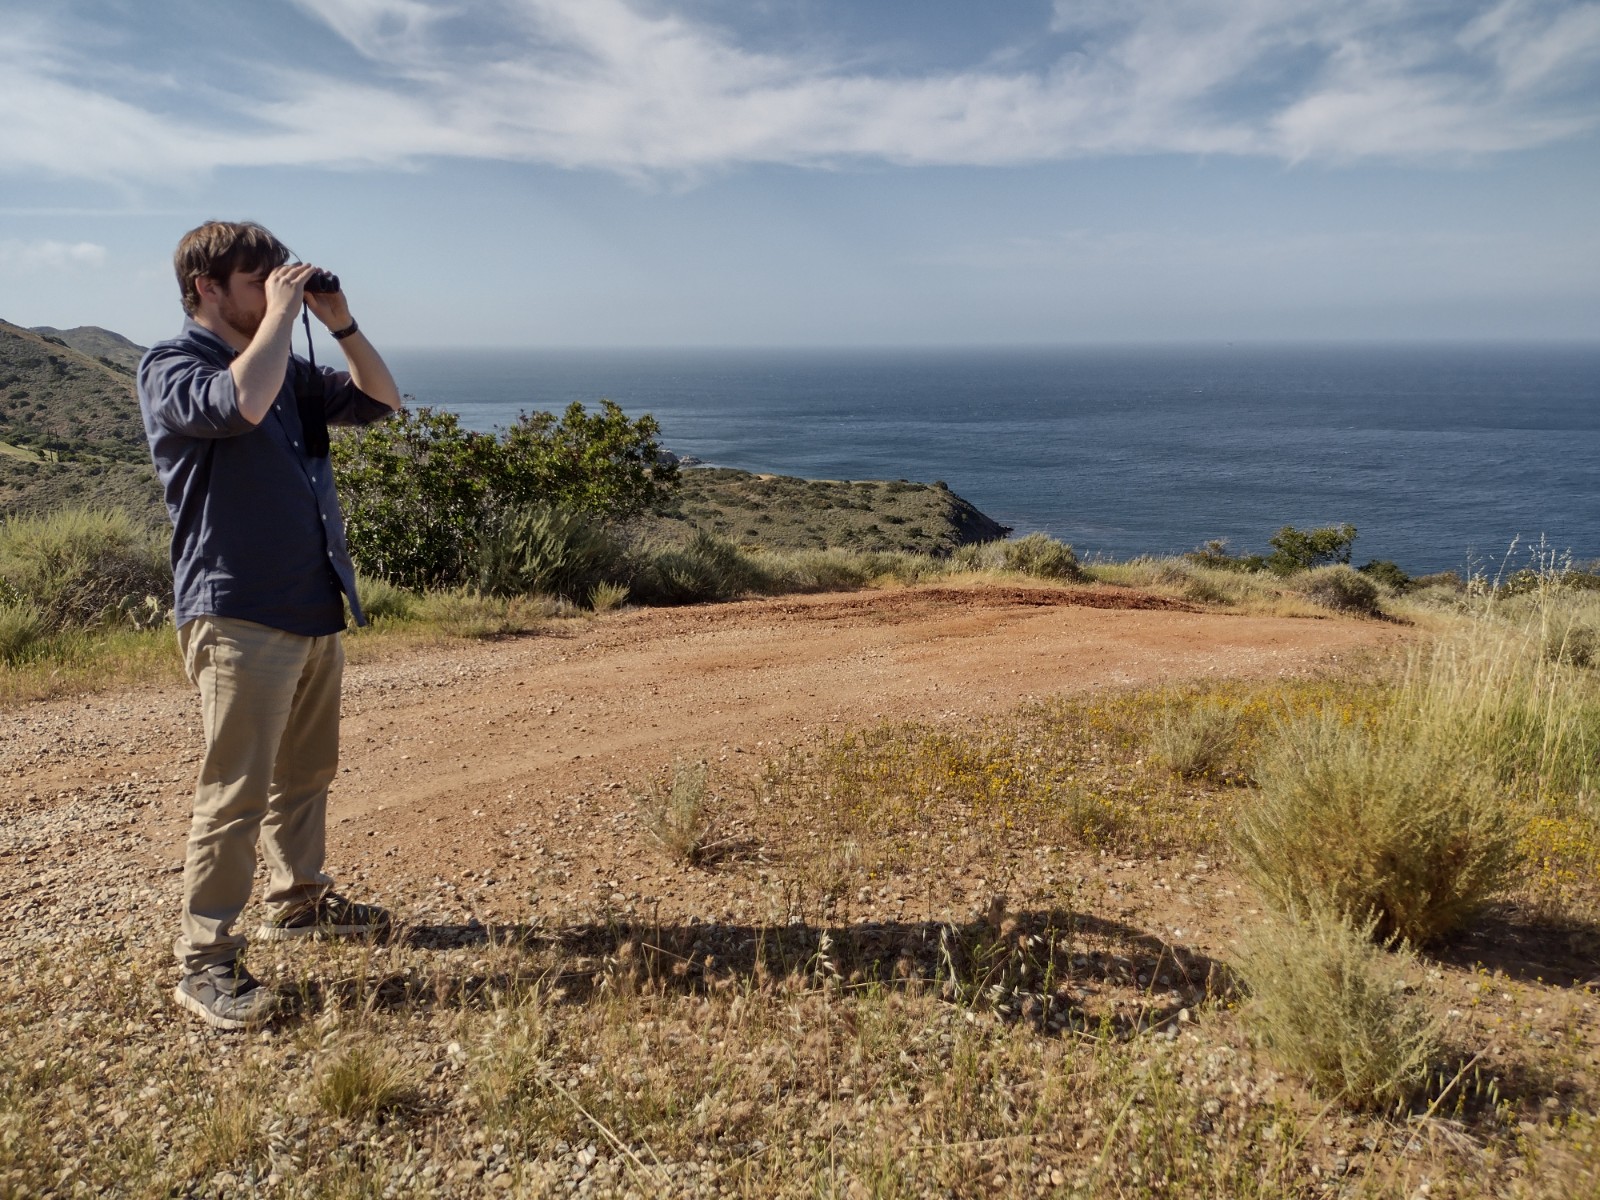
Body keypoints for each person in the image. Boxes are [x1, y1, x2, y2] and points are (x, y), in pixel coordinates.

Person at [138, 220, 403, 1030]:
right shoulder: (172, 365)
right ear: (207, 289)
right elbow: (241, 404)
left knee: (307, 772)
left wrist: (342, 324)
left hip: (312, 603)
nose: (276, 291)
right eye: (260, 280)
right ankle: (205, 961)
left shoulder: (285, 363)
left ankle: (299, 901)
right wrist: (284, 319)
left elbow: (383, 401)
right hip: (237, 609)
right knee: (236, 793)